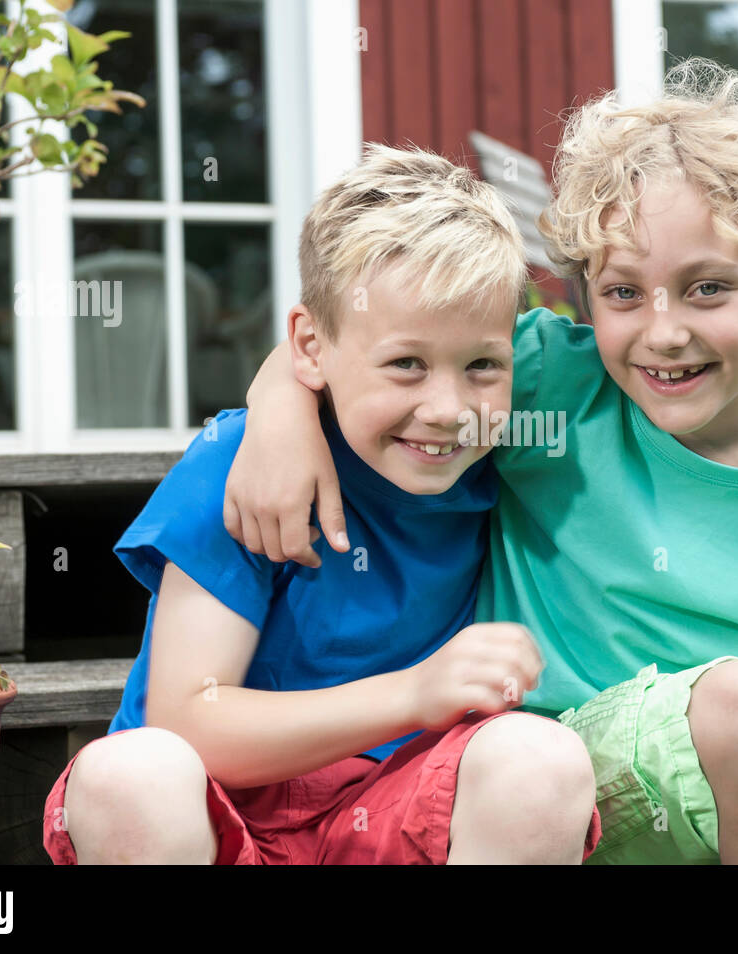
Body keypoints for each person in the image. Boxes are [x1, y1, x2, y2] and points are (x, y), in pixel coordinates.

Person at [228, 60, 738, 864]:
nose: (663, 333)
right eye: (625, 293)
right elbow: (359, 347)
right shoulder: (553, 388)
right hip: (561, 778)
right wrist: (277, 410)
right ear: (588, 297)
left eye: (708, 289)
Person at [41, 145, 603, 865]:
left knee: (540, 760)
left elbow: (730, 362)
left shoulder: (510, 451)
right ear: (311, 344)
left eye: (482, 366)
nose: (447, 409)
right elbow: (188, 721)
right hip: (218, 819)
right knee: (130, 773)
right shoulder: (245, 467)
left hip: (398, 808)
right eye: (406, 363)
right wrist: (413, 694)